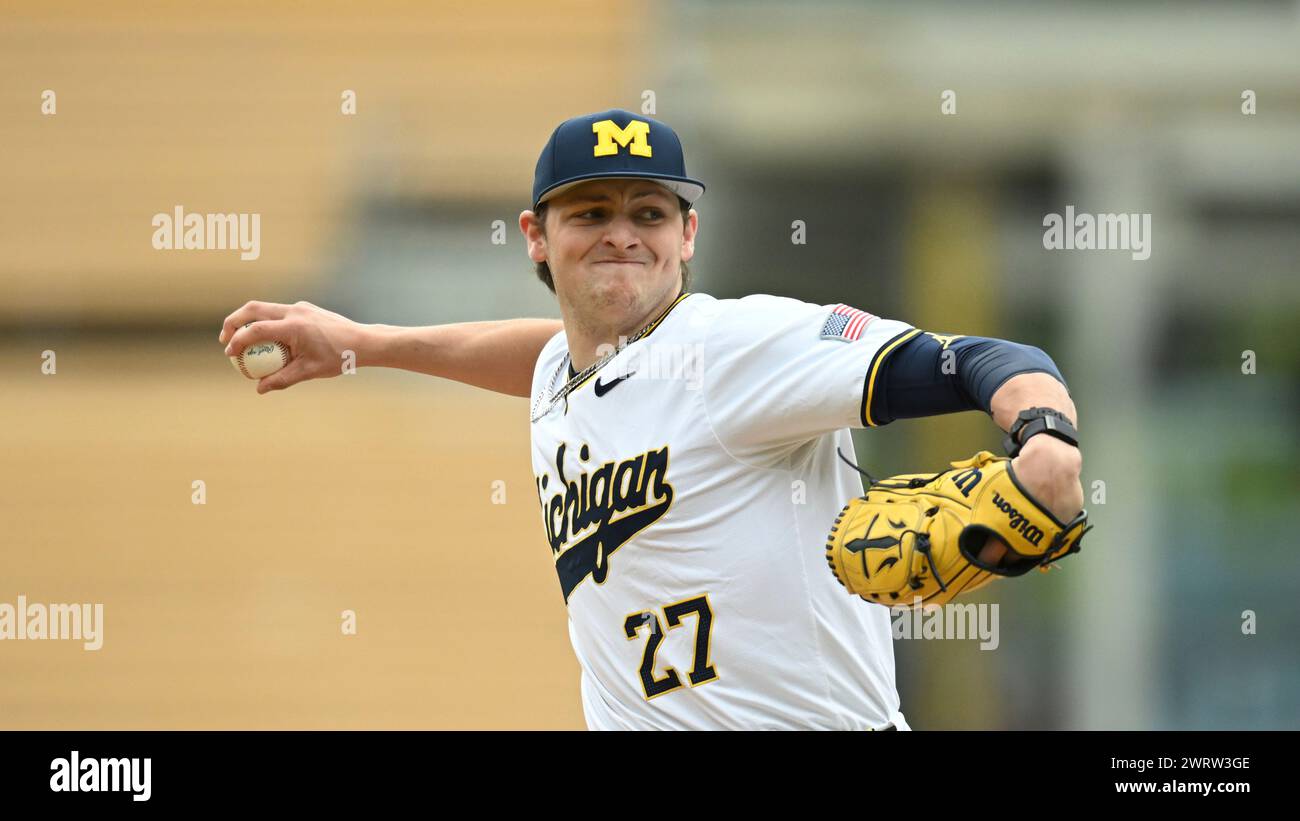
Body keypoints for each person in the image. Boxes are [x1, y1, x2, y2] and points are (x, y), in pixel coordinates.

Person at [220, 109, 1084, 730]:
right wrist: (359, 342)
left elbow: (981, 359)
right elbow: (536, 354)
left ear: (689, 232)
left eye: (649, 213)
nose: (622, 234)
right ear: (535, 235)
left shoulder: (734, 344)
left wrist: (1044, 440)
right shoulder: (570, 364)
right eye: (591, 212)